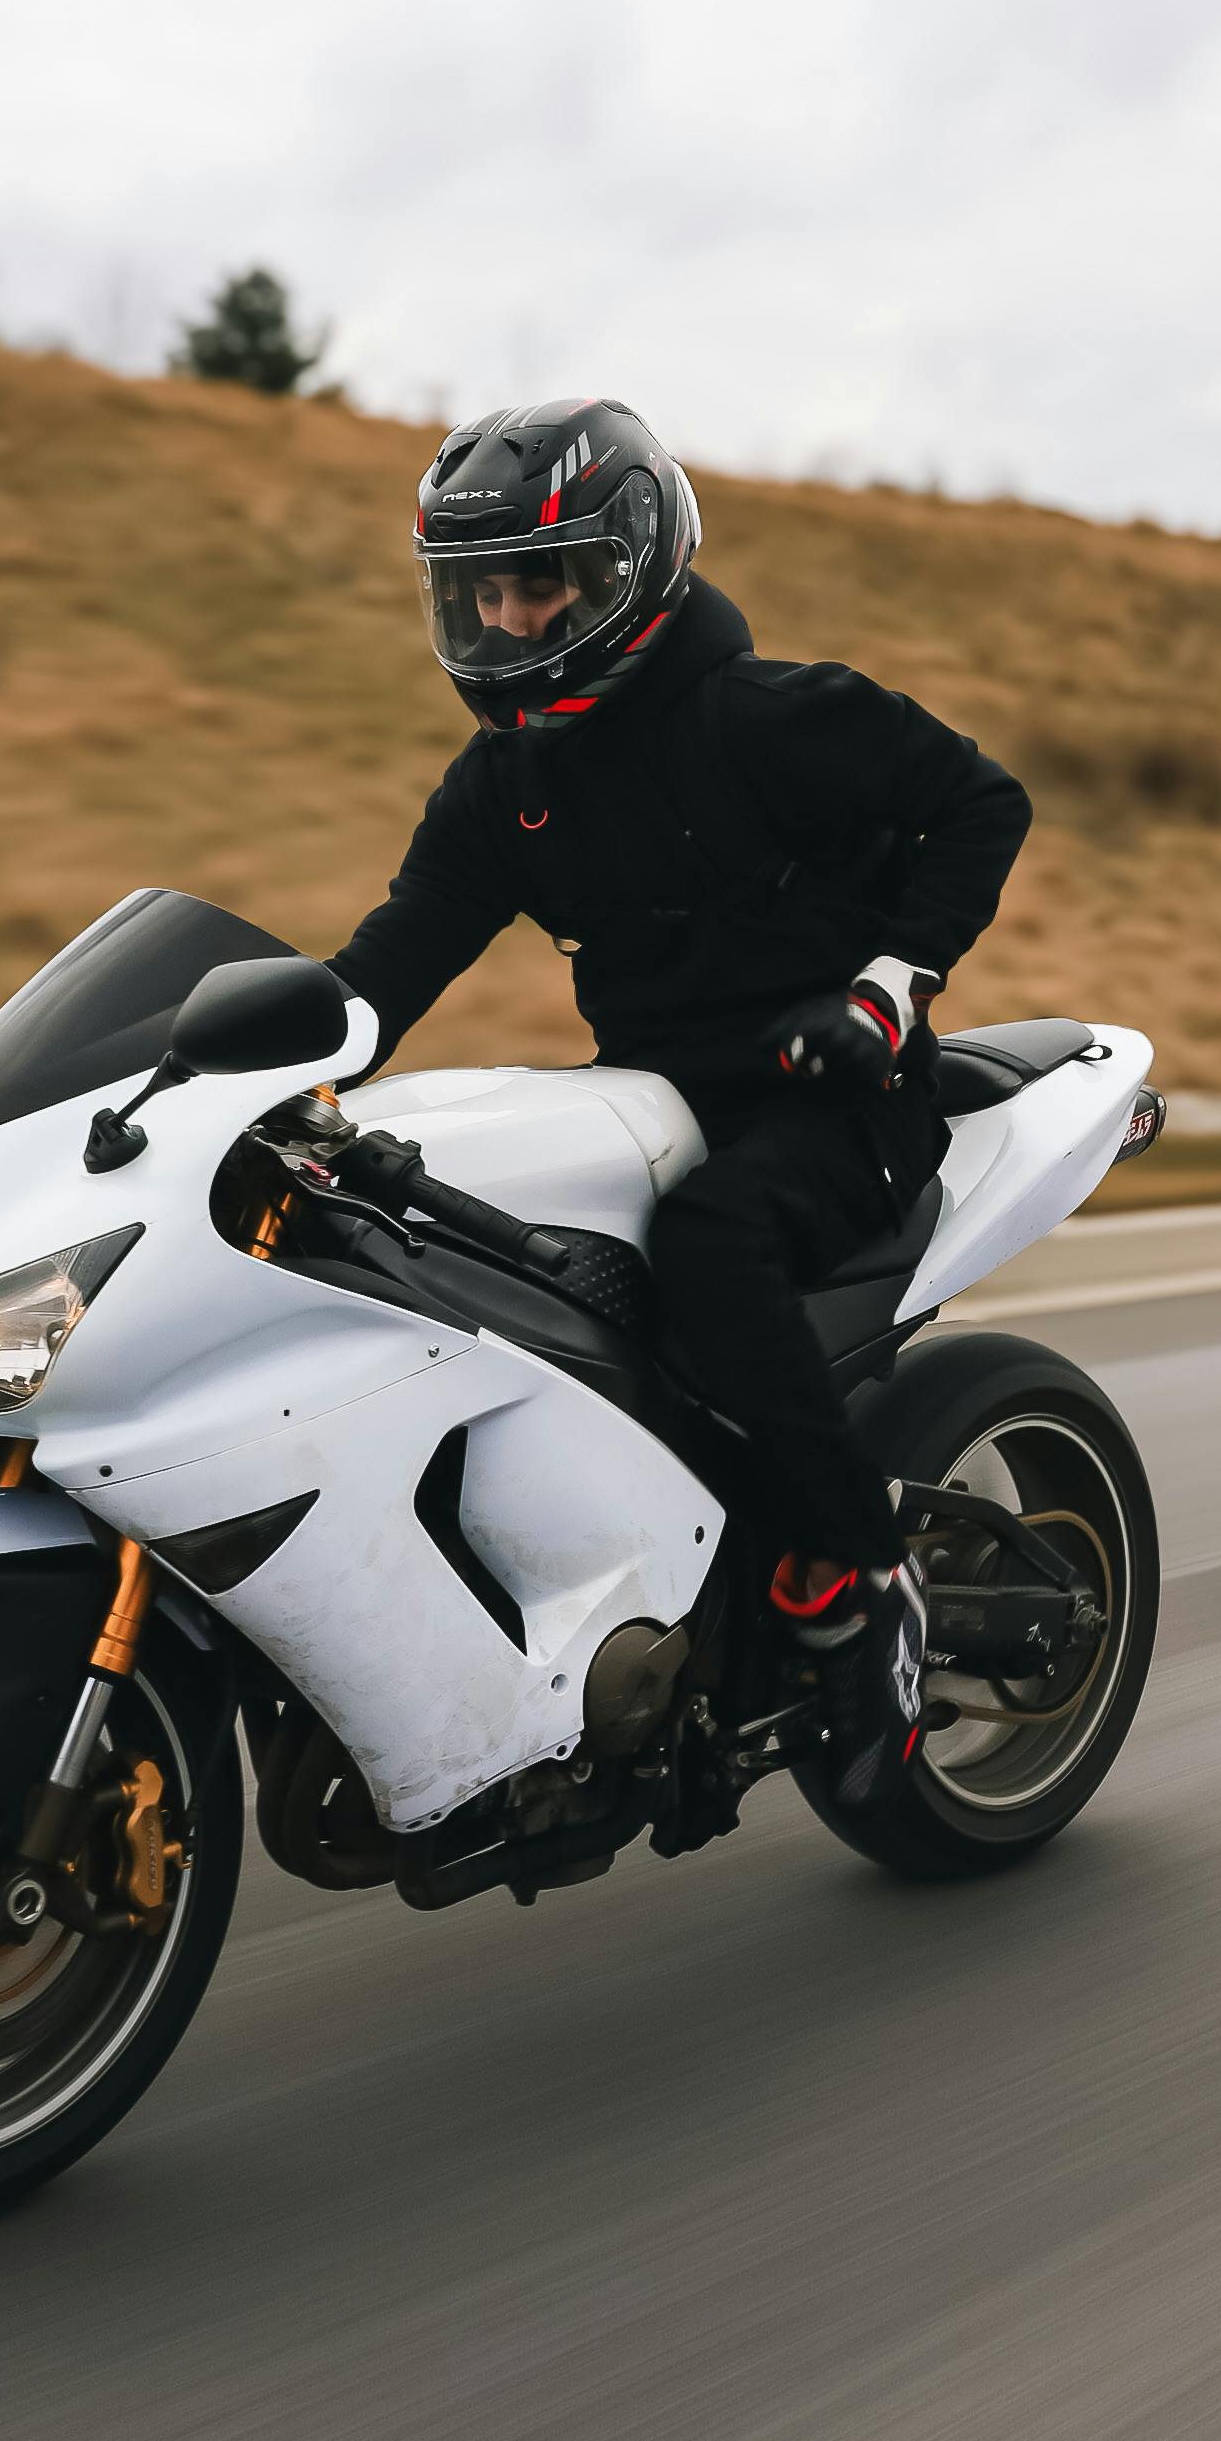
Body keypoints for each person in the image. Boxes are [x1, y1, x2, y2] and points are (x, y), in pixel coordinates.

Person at [327, 396, 1030, 1804]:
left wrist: (887, 987)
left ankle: (859, 1573)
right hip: (657, 1101)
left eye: (545, 586)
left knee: (715, 1240)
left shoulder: (770, 719)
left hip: (844, 1103)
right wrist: (243, 1068)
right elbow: (393, 959)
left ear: (628, 573)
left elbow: (981, 801)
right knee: (444, 1250)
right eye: (483, 596)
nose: (514, 625)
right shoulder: (502, 790)